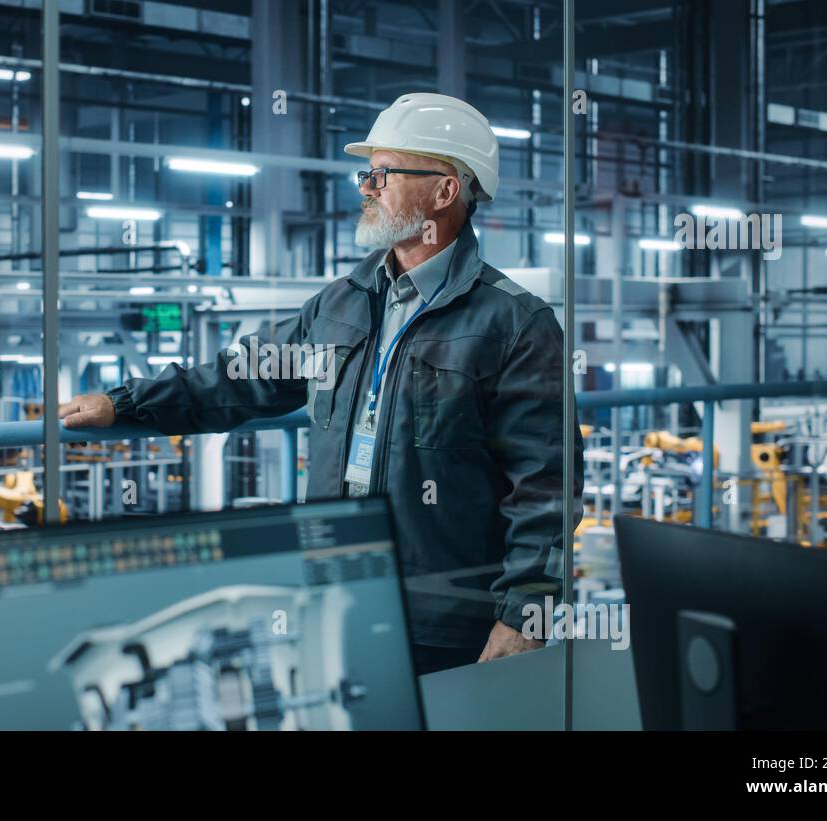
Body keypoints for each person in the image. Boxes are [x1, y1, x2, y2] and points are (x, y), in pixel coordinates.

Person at [61, 92, 584, 675]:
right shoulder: (342, 304)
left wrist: (523, 614)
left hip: (446, 617)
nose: (367, 187)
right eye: (368, 172)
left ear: (445, 191)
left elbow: (546, 486)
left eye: (383, 173)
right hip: (338, 597)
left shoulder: (514, 324)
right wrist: (124, 402)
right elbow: (242, 377)